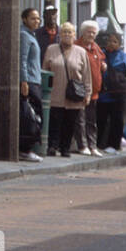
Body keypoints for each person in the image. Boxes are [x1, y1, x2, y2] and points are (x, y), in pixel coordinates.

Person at [43, 22, 89, 158]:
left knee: (70, 123)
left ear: (75, 35)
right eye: (64, 32)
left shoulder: (81, 52)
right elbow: (45, 70)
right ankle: (52, 146)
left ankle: (65, 148)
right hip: (55, 93)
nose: (67, 35)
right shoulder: (51, 49)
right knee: (54, 122)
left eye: (70, 32)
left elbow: (86, 75)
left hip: (74, 95)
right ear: (60, 35)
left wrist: (88, 93)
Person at [97, 32, 126, 153]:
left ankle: (114, 145)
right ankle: (99, 144)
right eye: (109, 41)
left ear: (119, 44)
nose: (111, 44)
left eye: (115, 41)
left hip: (119, 96)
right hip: (103, 96)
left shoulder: (125, 58)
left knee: (117, 121)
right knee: (100, 121)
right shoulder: (100, 55)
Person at [76, 21, 107, 156]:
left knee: (91, 120)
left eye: (94, 32)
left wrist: (103, 65)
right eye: (89, 31)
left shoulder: (95, 47)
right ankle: (83, 146)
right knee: (80, 120)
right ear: (83, 32)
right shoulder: (77, 46)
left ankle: (92, 145)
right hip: (80, 89)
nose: (91, 34)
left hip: (94, 91)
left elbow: (102, 60)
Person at [19, 8, 45, 162]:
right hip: (29, 81)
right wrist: (24, 81)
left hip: (36, 80)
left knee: (36, 116)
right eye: (33, 18)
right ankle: (25, 149)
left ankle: (28, 148)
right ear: (24, 19)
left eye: (38, 19)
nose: (37, 21)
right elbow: (22, 59)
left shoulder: (32, 36)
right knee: (30, 117)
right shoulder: (24, 35)